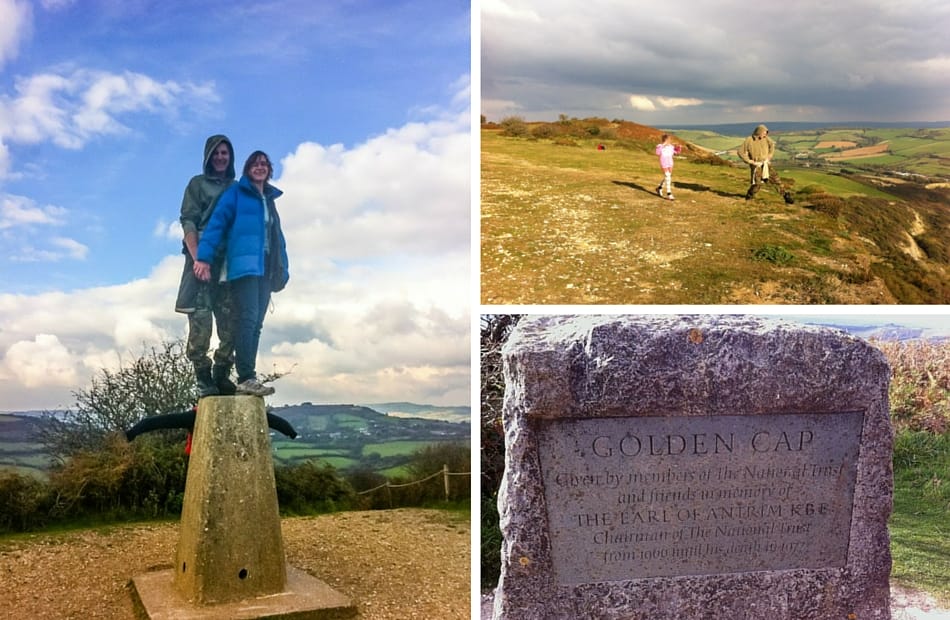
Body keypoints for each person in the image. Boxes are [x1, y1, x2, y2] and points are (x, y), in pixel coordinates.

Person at [194, 151, 289, 397]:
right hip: (244, 268)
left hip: (267, 268)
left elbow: (278, 238)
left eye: (264, 164)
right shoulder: (236, 193)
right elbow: (217, 224)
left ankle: (249, 377)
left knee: (257, 323)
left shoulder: (268, 199)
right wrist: (203, 258)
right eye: (255, 164)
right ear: (247, 169)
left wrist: (284, 269)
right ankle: (246, 376)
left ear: (269, 169)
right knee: (247, 318)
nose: (260, 167)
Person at [174, 134, 238, 397]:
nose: (221, 157)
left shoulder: (236, 187)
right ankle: (203, 376)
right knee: (200, 323)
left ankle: (221, 372)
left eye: (225, 153)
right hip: (201, 258)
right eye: (216, 153)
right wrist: (198, 257)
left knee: (232, 322)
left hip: (228, 263)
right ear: (208, 156)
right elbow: (188, 220)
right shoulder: (197, 184)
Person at [737, 124, 795, 204]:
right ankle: (749, 196)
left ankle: (786, 196)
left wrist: (769, 156)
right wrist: (749, 161)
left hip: (766, 165)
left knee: (776, 180)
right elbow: (740, 152)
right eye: (764, 132)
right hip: (756, 166)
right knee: (757, 185)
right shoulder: (749, 140)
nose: (765, 134)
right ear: (759, 132)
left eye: (766, 133)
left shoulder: (766, 139)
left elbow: (772, 146)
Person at [654, 134, 682, 201]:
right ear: (665, 140)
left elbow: (676, 153)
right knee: (668, 176)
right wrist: (663, 145)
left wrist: (678, 148)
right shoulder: (660, 146)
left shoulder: (671, 146)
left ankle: (659, 188)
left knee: (667, 177)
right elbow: (657, 153)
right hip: (664, 162)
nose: (670, 140)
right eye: (669, 139)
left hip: (670, 163)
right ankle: (669, 193)